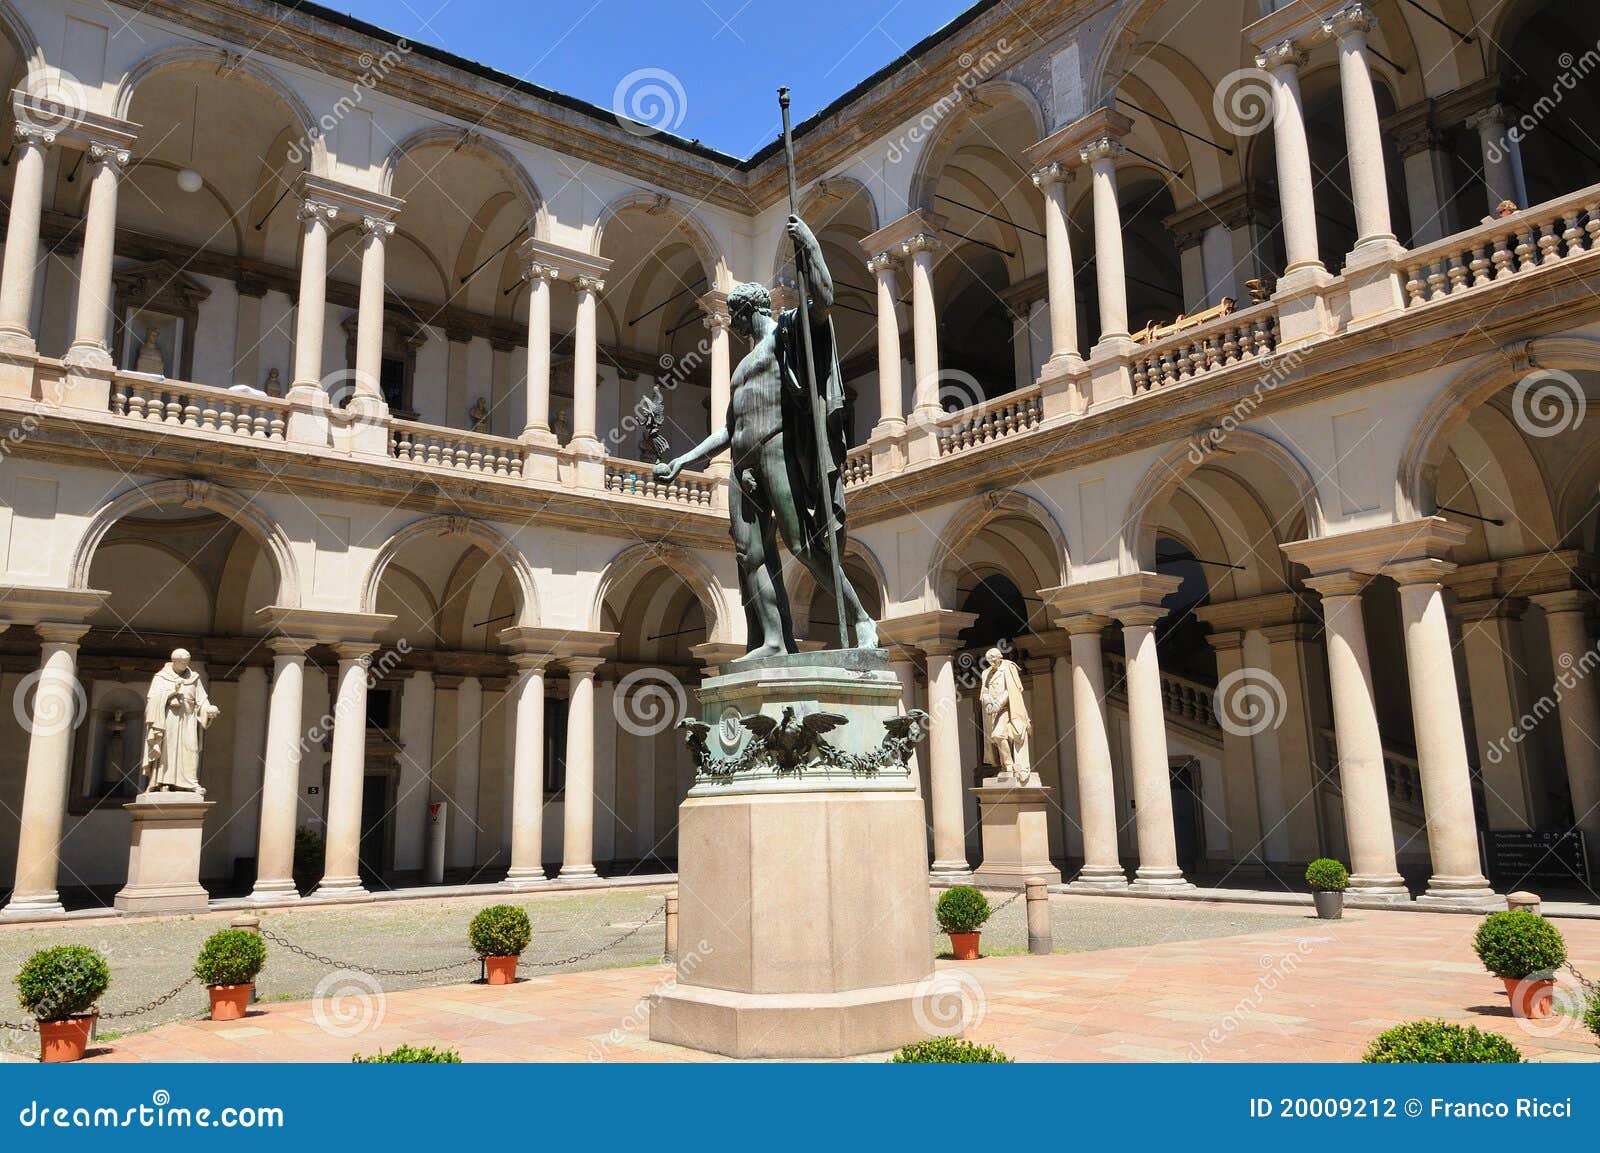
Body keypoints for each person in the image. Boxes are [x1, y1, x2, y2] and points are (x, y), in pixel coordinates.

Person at [655, 214, 876, 656]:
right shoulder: (740, 367)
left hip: (776, 450)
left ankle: (862, 620)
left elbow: (825, 300)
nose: (733, 326)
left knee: (802, 545)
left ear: (748, 309)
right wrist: (685, 460)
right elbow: (729, 430)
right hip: (742, 465)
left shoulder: (783, 337)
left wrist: (809, 245)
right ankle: (776, 640)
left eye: (735, 316)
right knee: (751, 556)